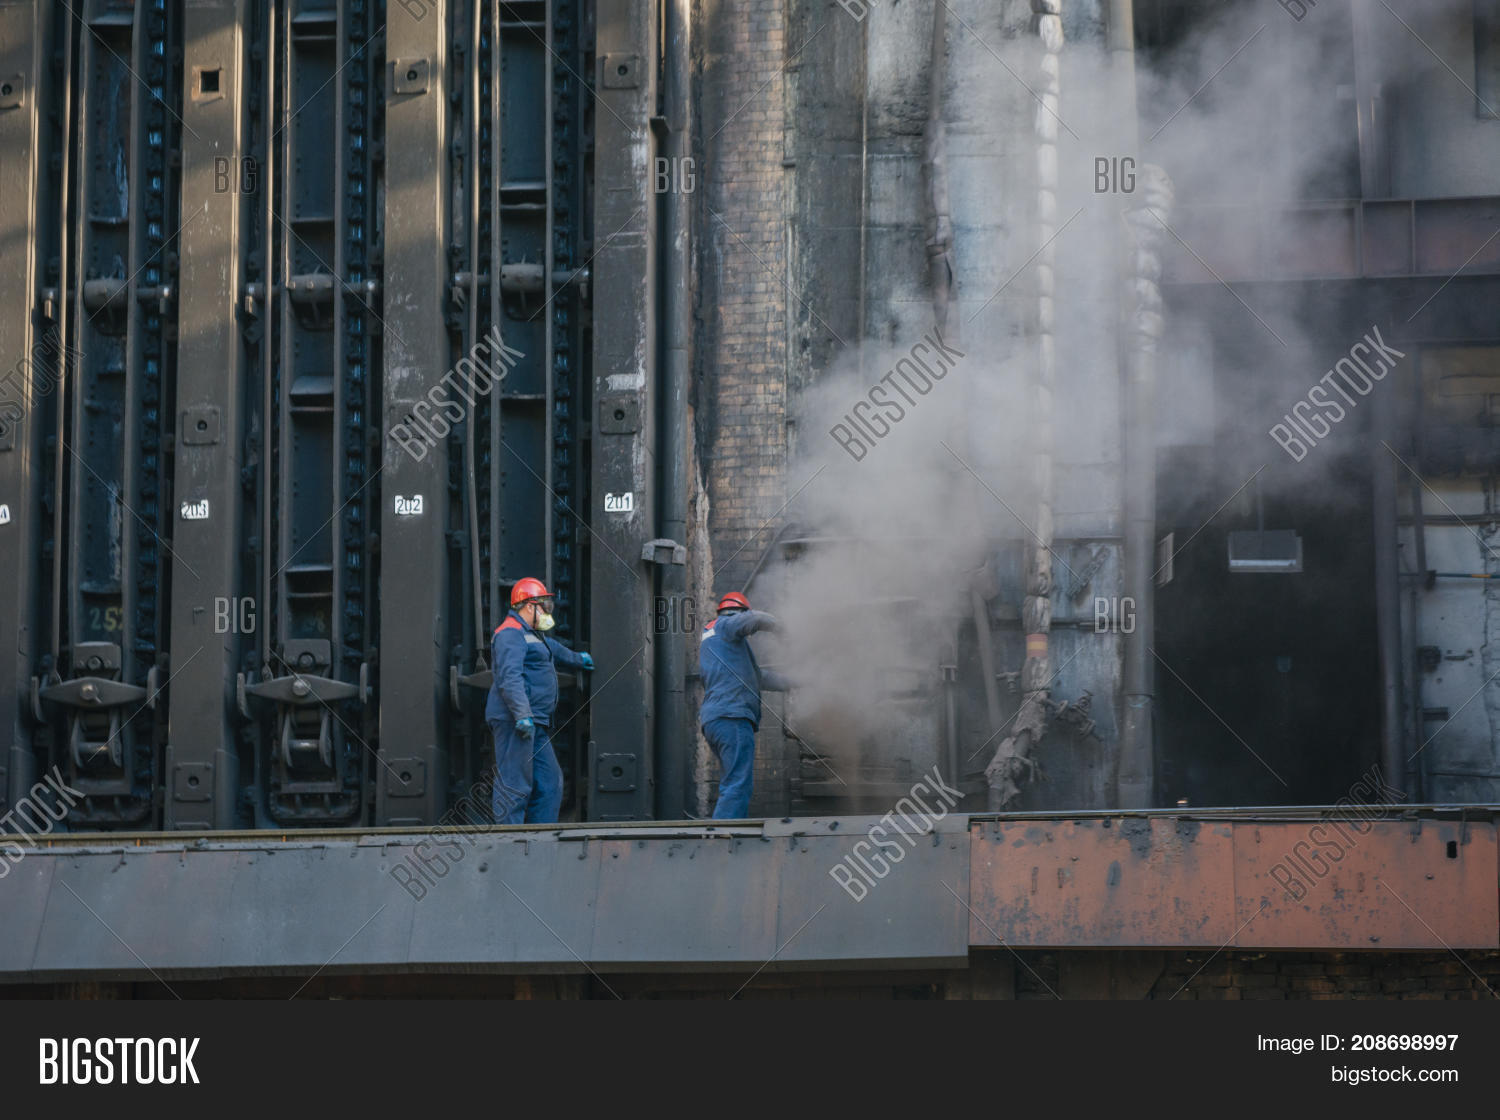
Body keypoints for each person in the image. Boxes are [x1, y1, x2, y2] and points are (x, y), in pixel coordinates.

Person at [485, 578, 594, 824]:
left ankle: (538, 837)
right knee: (514, 780)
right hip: (516, 720)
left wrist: (579, 659)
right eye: (544, 606)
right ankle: (509, 840)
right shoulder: (509, 633)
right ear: (529, 606)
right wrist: (522, 713)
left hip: (534, 723)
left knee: (550, 782)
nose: (547, 612)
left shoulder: (530, 635)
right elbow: (509, 677)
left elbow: (553, 648)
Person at [698, 591, 791, 819]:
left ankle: (723, 832)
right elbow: (755, 619)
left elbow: (760, 678)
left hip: (715, 719)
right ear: (737, 612)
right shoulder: (726, 625)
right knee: (738, 782)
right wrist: (782, 630)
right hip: (732, 716)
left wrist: (803, 681)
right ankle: (724, 836)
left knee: (732, 780)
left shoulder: (717, 642)